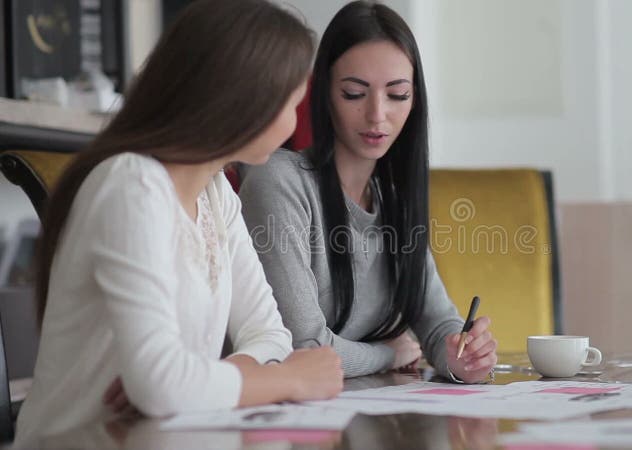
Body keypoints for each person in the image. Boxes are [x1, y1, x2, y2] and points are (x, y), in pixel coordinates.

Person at [15, 0, 342, 444]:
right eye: (292, 102)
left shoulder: (216, 191)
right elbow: (162, 386)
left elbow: (270, 334)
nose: (293, 123)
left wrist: (195, 382)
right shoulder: (131, 185)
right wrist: (291, 380)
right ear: (243, 100)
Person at [239, 0, 497, 383]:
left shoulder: (394, 196)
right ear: (324, 93)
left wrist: (463, 356)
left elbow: (438, 322)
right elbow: (304, 347)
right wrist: (387, 354)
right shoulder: (279, 181)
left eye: (397, 95)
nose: (378, 114)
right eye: (354, 94)